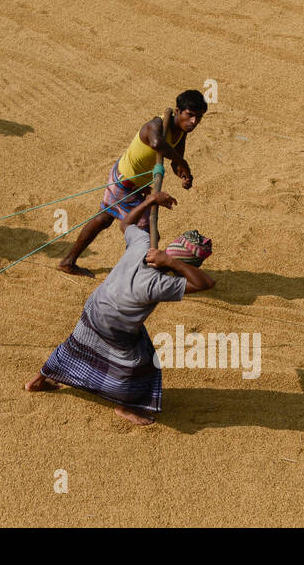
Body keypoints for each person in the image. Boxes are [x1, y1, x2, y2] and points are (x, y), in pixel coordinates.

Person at [27, 192, 215, 424]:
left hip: (94, 307)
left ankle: (37, 380)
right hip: (115, 325)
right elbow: (206, 283)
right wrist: (171, 263)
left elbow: (125, 223)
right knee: (140, 363)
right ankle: (125, 406)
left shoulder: (142, 243)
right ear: (186, 265)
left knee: (75, 344)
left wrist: (149, 201)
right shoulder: (160, 284)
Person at [57, 90, 208, 277]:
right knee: (146, 235)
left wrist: (184, 173)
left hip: (132, 182)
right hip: (125, 182)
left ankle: (68, 261)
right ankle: (133, 276)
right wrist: (182, 162)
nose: (194, 121)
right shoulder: (155, 125)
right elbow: (157, 144)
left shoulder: (181, 131)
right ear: (178, 111)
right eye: (190, 115)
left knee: (104, 218)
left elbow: (175, 160)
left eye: (198, 117)